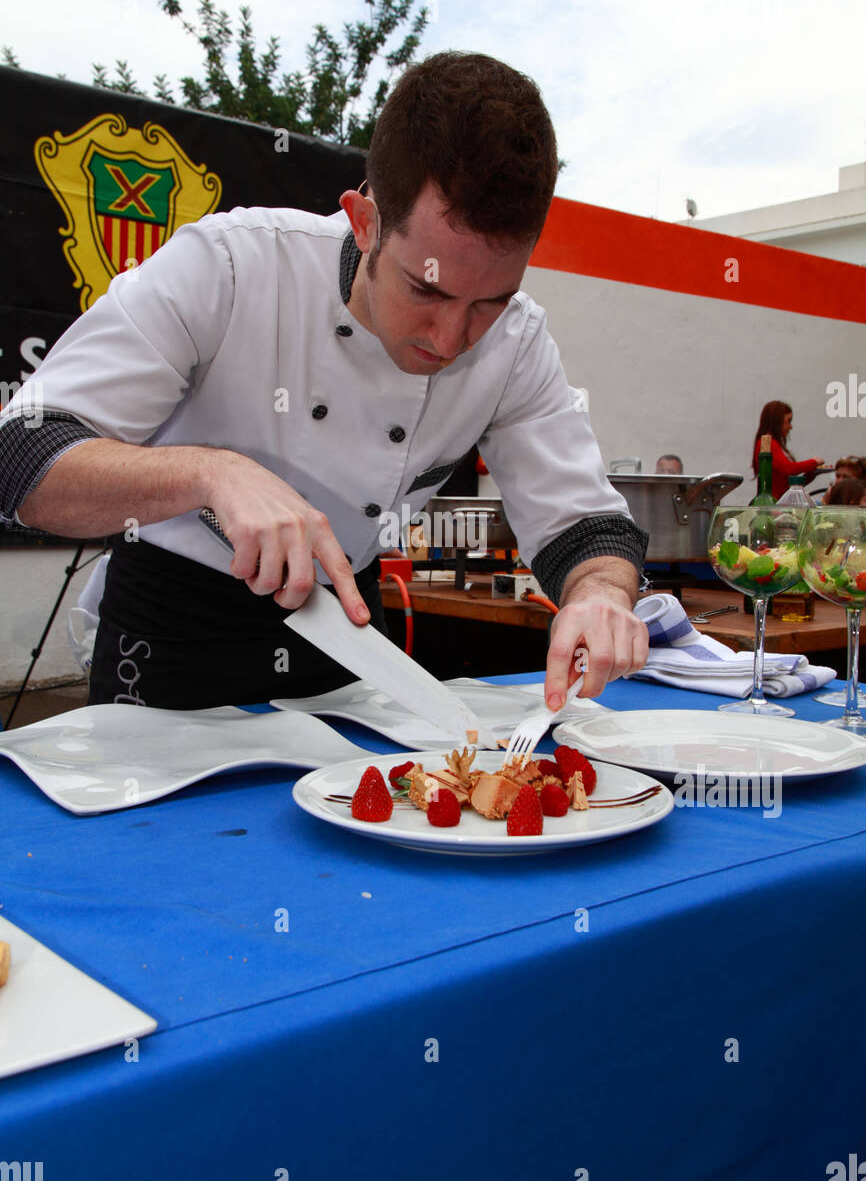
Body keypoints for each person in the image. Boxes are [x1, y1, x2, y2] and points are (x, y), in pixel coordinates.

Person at [0, 51, 649, 712]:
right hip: (172, 648)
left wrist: (600, 595)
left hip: (351, 645)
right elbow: (20, 456)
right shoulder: (230, 264)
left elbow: (586, 525)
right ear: (365, 222)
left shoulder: (517, 343)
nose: (451, 339)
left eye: (490, 301)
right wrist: (212, 474)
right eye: (426, 288)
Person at [751, 400, 824, 499]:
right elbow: (787, 469)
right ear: (777, 420)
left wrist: (811, 474)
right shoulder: (769, 443)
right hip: (774, 505)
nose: (790, 426)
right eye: (788, 421)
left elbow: (786, 483)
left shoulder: (771, 443)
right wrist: (813, 462)